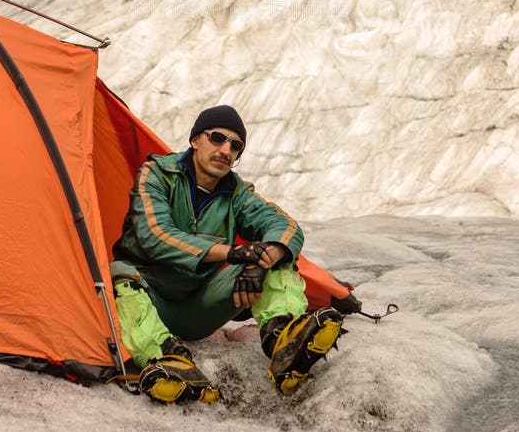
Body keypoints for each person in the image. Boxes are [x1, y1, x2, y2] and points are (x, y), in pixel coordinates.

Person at [111, 105, 351, 402]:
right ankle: (165, 358)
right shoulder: (158, 175)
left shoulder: (236, 192)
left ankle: (285, 339)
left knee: (276, 254)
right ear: (196, 140)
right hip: (150, 299)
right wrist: (232, 253)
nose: (226, 150)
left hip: (200, 306)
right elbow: (154, 235)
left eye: (235, 146)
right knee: (119, 270)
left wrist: (261, 264)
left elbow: (285, 226)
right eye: (217, 138)